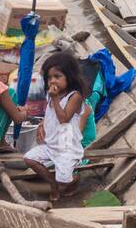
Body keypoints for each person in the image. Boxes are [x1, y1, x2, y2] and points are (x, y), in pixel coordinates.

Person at [23, 51, 90, 202]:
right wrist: (41, 124)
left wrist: (54, 99)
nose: (52, 81)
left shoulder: (74, 97)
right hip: (51, 145)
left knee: (64, 180)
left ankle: (74, 179)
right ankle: (52, 183)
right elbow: (50, 115)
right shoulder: (51, 95)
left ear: (69, 76)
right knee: (29, 159)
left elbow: (64, 119)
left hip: (67, 148)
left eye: (57, 77)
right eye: (49, 78)